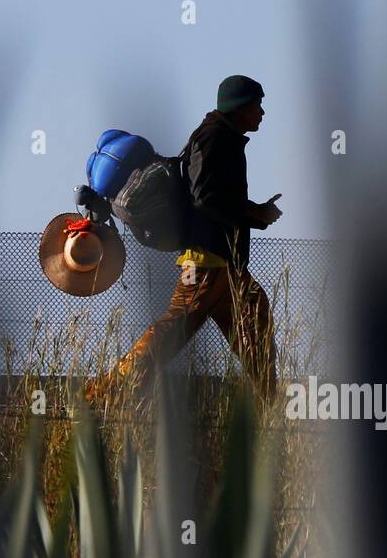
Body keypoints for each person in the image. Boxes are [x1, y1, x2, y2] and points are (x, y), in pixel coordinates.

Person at [85, 75, 282, 406]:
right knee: (172, 329)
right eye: (257, 105)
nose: (262, 113)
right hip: (204, 262)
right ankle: (103, 394)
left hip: (224, 264)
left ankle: (272, 407)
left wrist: (254, 215)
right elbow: (205, 198)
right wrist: (254, 213)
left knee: (255, 320)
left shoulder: (225, 138)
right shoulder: (214, 138)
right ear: (240, 107)